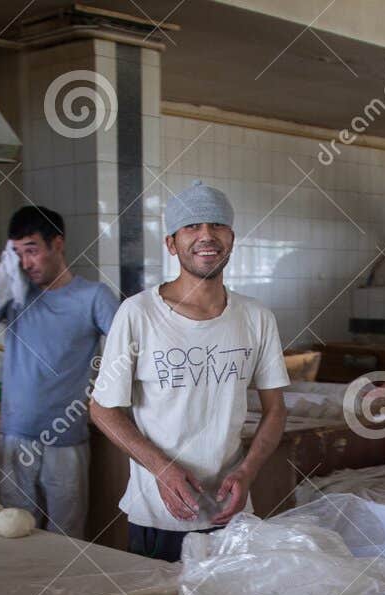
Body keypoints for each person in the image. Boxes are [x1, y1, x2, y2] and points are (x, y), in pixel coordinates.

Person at [90, 181, 289, 563]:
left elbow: (276, 409)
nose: (206, 236)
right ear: (171, 243)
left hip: (229, 513)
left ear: (231, 237)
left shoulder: (256, 317)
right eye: (192, 227)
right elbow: (102, 408)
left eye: (217, 225)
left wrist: (247, 472)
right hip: (159, 516)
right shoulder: (138, 313)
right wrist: (162, 470)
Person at [0, 206, 119, 537]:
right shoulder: (16, 294)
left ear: (58, 244)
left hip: (66, 439)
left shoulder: (92, 296)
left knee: (66, 538)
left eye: (32, 250)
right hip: (15, 435)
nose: (26, 263)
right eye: (17, 253)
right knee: (14, 534)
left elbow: (130, 348)